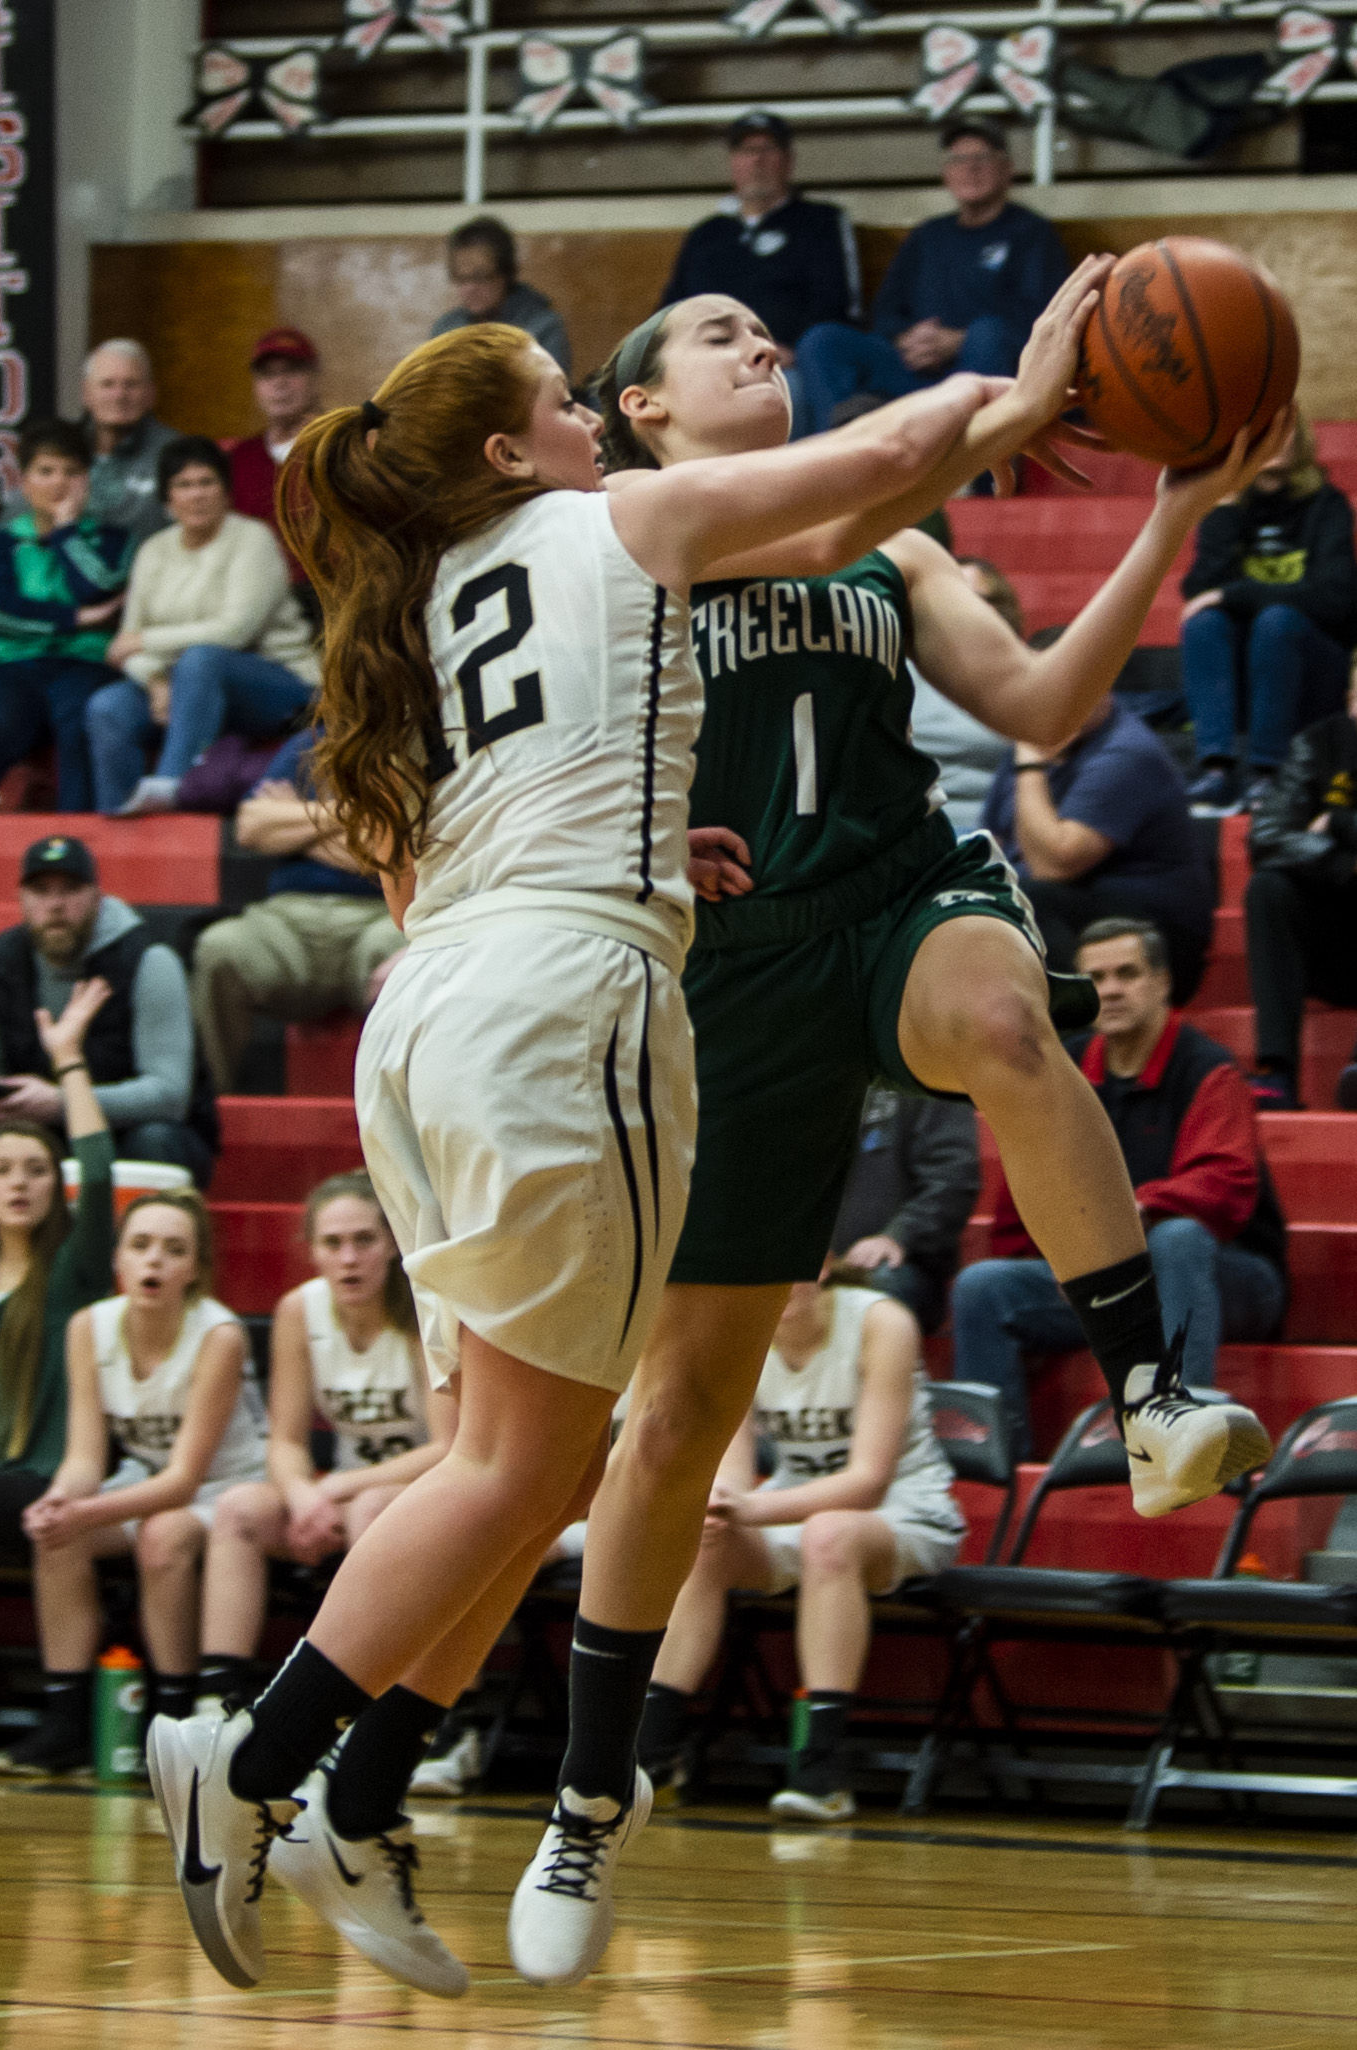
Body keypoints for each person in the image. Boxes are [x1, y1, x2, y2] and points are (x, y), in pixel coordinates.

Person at [143, 312, 1014, 1999]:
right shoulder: (590, 523)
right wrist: (1026, 390)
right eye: (560, 402)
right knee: (516, 1468)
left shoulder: (411, 606)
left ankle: (357, 1798)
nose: (587, 424)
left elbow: (431, 858)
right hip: (562, 1014)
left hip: (432, 1025)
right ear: (508, 447)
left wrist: (640, 841)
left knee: (522, 1462)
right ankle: (254, 1761)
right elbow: (858, 495)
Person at [501, 289, 1285, 1991]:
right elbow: (882, 467)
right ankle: (585, 1786)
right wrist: (1032, 393)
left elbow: (1034, 708)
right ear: (638, 412)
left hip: (894, 893)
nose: (754, 340)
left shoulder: (890, 548)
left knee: (1006, 1019)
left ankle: (1152, 1396)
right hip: (731, 969)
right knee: (681, 1421)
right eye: (713, 331)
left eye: (765, 326)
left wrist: (1170, 508)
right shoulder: (623, 536)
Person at [950, 918, 1288, 1460]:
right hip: (1108, 1282)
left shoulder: (1209, 1070)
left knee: (1176, 1239)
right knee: (983, 1287)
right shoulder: (1061, 1074)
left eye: (1126, 974)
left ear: (1162, 983)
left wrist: (1133, 1212)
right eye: (1095, 978)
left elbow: (1224, 1185)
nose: (1109, 989)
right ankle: (994, 1467)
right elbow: (1026, 1194)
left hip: (1226, 1275)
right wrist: (1068, 1258)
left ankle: (1180, 1441)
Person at [638, 1275, 964, 1820]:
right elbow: (734, 1470)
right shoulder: (738, 1327)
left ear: (824, 1266)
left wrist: (751, 1509)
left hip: (904, 1510)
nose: (784, 1283)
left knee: (829, 1535)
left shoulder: (881, 1322)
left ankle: (820, 1771)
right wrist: (722, 1503)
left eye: (798, 1269)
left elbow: (868, 1482)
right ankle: (651, 1760)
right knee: (705, 1539)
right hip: (794, 1506)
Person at [0, 1188, 267, 1775]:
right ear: (118, 1258)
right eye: (140, 1246)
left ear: (194, 1269)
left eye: (174, 1250)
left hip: (229, 1486)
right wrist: (63, 1499)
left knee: (162, 1536)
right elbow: (86, 1455)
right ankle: (65, 1717)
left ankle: (171, 1718)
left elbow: (185, 1480)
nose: (155, 1262)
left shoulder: (219, 1335)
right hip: (146, 1477)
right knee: (55, 1533)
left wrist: (85, 1512)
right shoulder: (89, 1326)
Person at [196, 1172, 456, 1713]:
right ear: (312, 1251)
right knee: (239, 1509)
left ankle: (378, 1704)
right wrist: (304, 1498)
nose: (349, 1258)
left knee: (373, 1509)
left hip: (418, 1493)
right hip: (337, 1498)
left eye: (364, 1240)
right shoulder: (299, 1310)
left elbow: (448, 1448)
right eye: (332, 1243)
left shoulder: (422, 1308)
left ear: (391, 1244)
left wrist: (335, 1486)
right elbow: (286, 1442)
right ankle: (218, 1700)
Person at [85, 436, 320, 816]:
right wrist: (156, 682)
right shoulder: (154, 550)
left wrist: (147, 641)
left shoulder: (253, 539)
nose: (196, 495)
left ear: (226, 492)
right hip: (183, 686)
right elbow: (123, 646)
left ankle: (172, 790)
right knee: (107, 705)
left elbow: (233, 632)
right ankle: (113, 829)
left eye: (207, 482)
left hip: (279, 685)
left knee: (202, 659)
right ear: (167, 499)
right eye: (183, 485)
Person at [794, 119, 1068, 437]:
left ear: (1007, 169)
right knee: (822, 341)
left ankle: (975, 465)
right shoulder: (928, 235)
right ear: (946, 174)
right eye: (958, 160)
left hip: (983, 371)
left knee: (987, 334)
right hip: (914, 367)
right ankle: (842, 457)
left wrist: (958, 340)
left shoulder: (1032, 233)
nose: (970, 169)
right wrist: (907, 339)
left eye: (982, 158)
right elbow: (885, 310)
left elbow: (1042, 317)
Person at [0, 836, 219, 1185]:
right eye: (41, 891)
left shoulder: (150, 961)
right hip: (36, 1136)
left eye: (70, 889)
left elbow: (169, 1096)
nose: (55, 905)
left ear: (98, 897)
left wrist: (60, 1102)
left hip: (129, 1133)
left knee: (154, 1138)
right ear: (21, 900)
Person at [190, 726, 403, 1093]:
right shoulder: (313, 743)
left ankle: (408, 1122)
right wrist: (357, 816)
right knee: (220, 947)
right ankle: (211, 1110)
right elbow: (251, 826)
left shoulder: (416, 745)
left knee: (406, 963)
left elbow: (395, 853)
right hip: (287, 921)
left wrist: (294, 817)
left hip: (379, 916)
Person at [0, 979, 117, 1566]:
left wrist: (68, 1059)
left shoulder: (75, 1270)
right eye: (3, 1170)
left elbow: (95, 1172)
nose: (19, 1183)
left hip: (45, 1484)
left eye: (36, 1170)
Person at [980, 692, 1213, 1004]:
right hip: (1079, 913)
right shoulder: (1030, 743)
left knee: (1029, 900)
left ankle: (1079, 1028)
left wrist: (1031, 765)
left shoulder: (1126, 753)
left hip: (1158, 940)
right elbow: (992, 844)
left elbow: (1054, 865)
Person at [1181, 412, 1357, 815]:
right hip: (1248, 674)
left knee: (1277, 621)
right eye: (1262, 432)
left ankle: (1268, 773)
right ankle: (1217, 771)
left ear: (1300, 438)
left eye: (1284, 430)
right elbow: (1200, 590)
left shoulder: (1327, 506)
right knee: (1204, 621)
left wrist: (1234, 594)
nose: (1275, 441)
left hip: (1312, 670)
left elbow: (1336, 598)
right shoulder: (1227, 507)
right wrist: (1224, 506)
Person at [659, 113, 860, 425]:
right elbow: (671, 310)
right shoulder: (705, 234)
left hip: (785, 364)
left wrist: (787, 352)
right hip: (709, 365)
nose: (757, 160)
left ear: (788, 160)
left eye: (768, 149)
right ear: (733, 162)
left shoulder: (822, 222)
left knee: (782, 395)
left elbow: (838, 306)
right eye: (746, 151)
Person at [0, 418, 134, 809]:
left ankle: (76, 839)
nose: (58, 483)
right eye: (46, 471)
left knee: (81, 719)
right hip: (13, 666)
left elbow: (98, 587)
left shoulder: (114, 540)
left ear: (87, 479)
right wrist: (75, 619)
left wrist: (67, 530)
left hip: (84, 662)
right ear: (24, 481)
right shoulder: (1, 541)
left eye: (71, 472)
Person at [1245, 658, 1357, 1109]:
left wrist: (1341, 822)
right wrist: (1343, 865)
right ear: (1351, 698)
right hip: (1332, 945)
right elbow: (1268, 838)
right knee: (1268, 889)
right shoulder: (1317, 744)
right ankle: (1277, 1074)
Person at [831, 1084, 980, 1341]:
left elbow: (953, 1175)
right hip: (815, 1269)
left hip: (903, 1267)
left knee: (879, 1284)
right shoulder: (805, 1079)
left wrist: (898, 1236)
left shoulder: (928, 1072)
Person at [0, 341, 180, 542]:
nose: (119, 395)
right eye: (107, 384)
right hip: (55, 566)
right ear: (86, 393)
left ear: (150, 393)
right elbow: (10, 525)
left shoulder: (176, 452)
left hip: (144, 567)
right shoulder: (59, 445)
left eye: (131, 384)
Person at [909, 557, 1020, 834]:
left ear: (1001, 609)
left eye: (971, 598)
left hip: (1001, 833)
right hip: (915, 829)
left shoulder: (1020, 675)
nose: (957, 610)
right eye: (944, 598)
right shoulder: (896, 672)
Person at [227, 328, 323, 596]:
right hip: (249, 595)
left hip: (323, 596)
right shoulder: (240, 457)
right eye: (268, 374)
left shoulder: (338, 446)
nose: (279, 383)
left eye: (292, 371)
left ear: (315, 377)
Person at [430, 218, 571, 373]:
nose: (469, 288)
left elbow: (555, 392)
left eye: (480, 277)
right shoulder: (446, 329)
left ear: (507, 274)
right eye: (461, 278)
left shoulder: (543, 327)